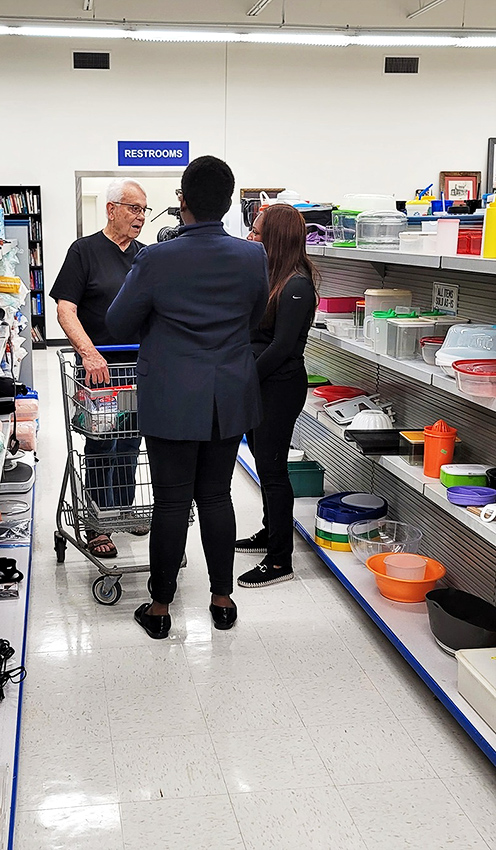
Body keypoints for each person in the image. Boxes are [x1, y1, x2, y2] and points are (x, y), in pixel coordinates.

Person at [106, 155, 269, 639]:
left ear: (183, 202)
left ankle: (159, 608)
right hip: (228, 394)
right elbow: (256, 315)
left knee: (173, 503)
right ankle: (222, 601)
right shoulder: (251, 256)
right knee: (217, 496)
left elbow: (117, 322)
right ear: (228, 202)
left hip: (172, 395)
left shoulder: (156, 258)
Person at [49, 178, 151, 559]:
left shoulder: (144, 255)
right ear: (112, 209)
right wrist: (90, 355)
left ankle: (123, 508)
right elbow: (65, 308)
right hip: (98, 371)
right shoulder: (85, 251)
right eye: (133, 208)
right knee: (100, 442)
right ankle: (95, 522)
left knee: (131, 440)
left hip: (138, 368)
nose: (140, 216)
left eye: (144, 209)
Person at [235, 204, 319, 587]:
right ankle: (270, 532)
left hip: (279, 387)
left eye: (256, 232)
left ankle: (280, 559)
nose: (251, 237)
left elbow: (283, 346)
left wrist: (245, 377)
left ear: (276, 238)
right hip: (260, 385)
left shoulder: (297, 285)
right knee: (264, 463)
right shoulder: (271, 277)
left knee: (273, 470)